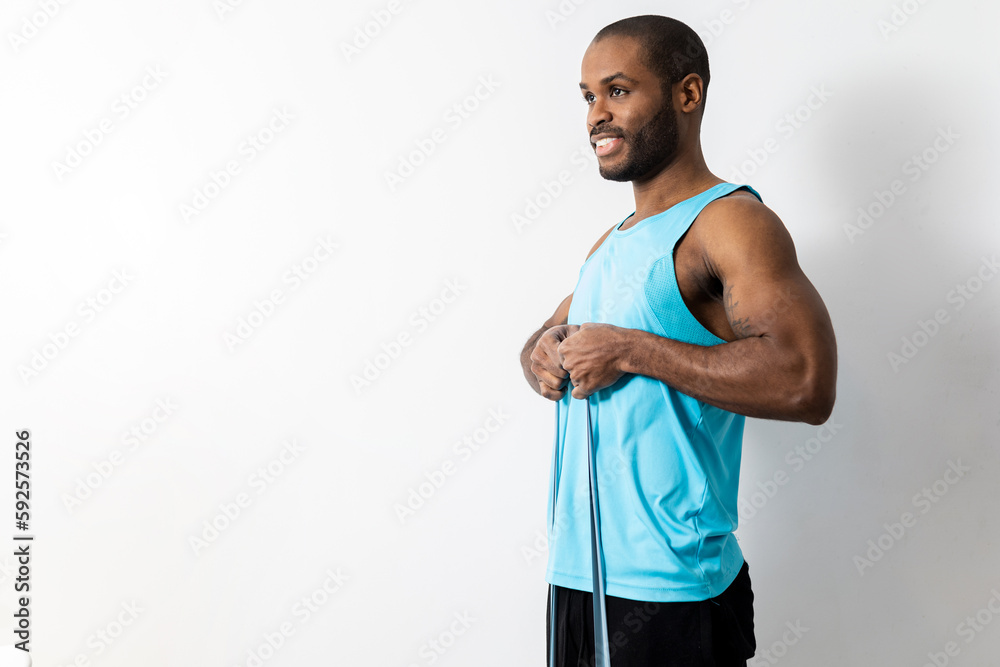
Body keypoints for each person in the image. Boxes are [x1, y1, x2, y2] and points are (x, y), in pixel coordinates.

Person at [518, 15, 838, 666]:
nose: (595, 116)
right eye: (587, 96)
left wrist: (631, 349)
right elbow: (548, 337)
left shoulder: (731, 223)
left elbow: (806, 380)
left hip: (672, 590)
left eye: (617, 90)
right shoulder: (611, 244)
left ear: (686, 95)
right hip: (578, 575)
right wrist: (540, 355)